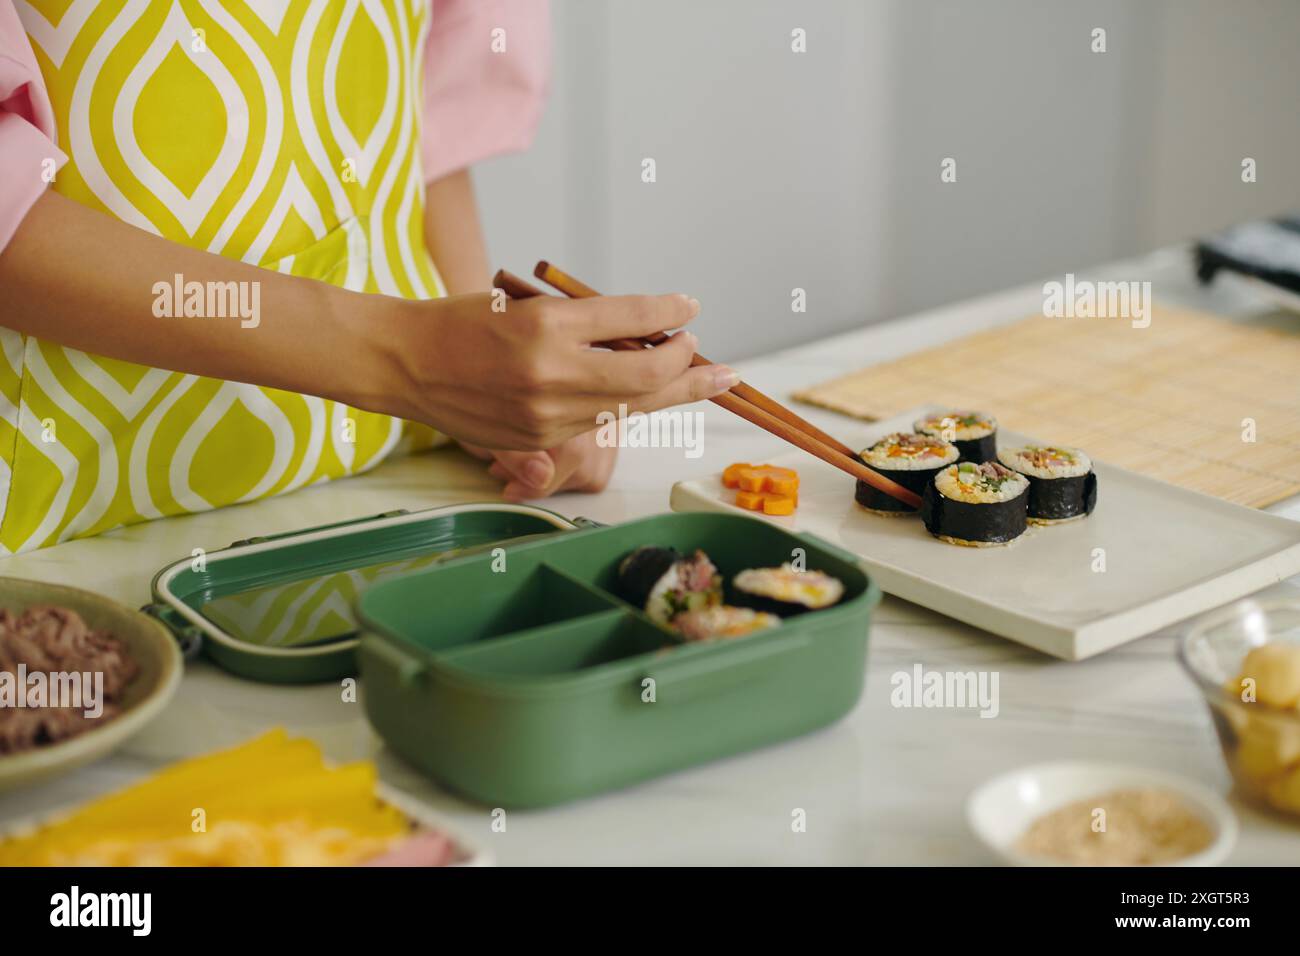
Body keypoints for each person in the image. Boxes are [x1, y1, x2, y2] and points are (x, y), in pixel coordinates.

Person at [0, 0, 735, 554]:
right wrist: (413, 358)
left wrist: (490, 387)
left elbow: (434, 104)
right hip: (56, 542)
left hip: (389, 487)